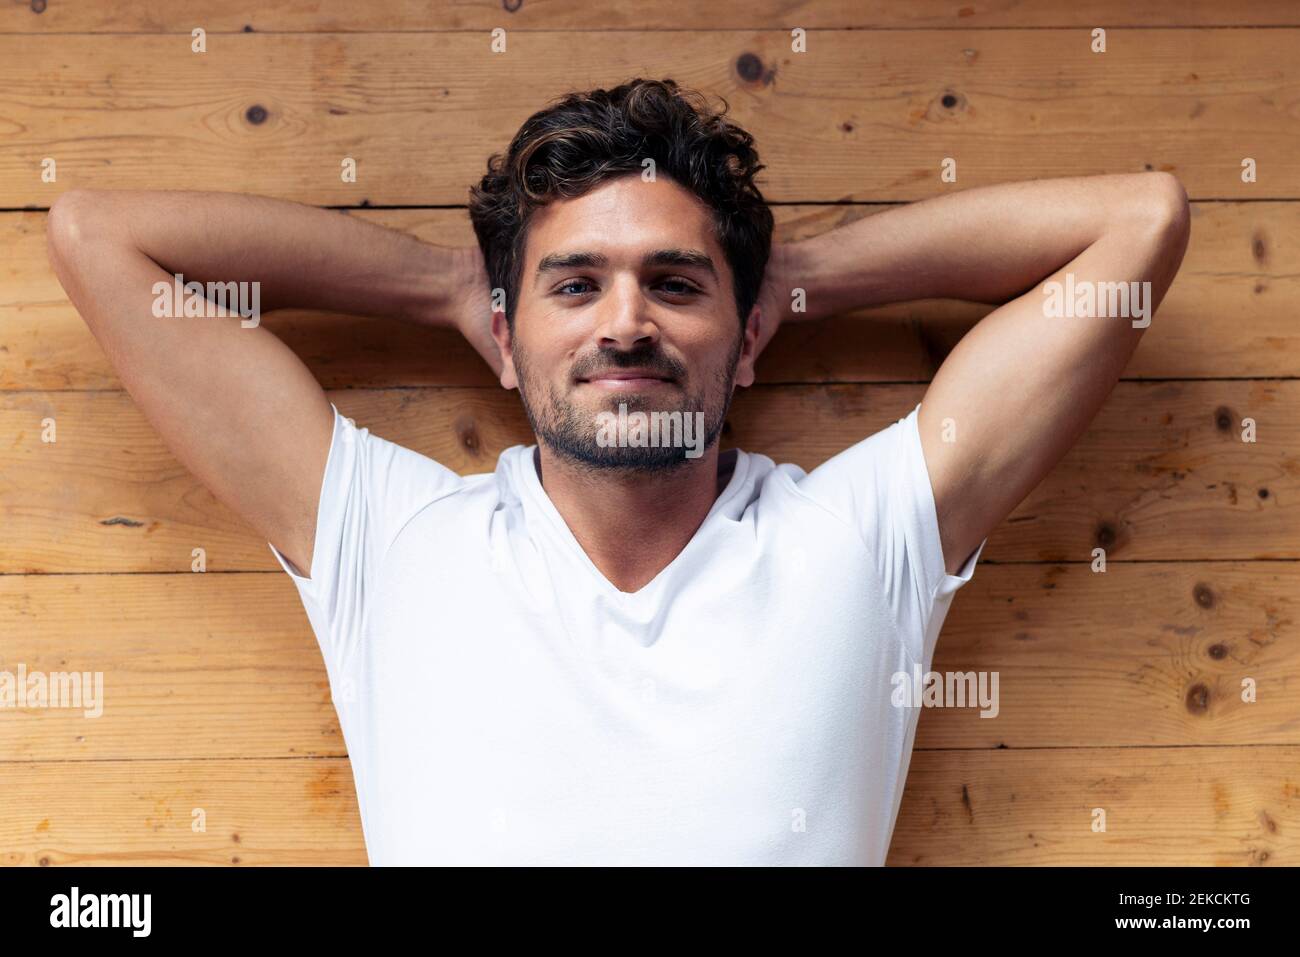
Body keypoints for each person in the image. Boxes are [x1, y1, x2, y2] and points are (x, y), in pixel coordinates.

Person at [45, 77, 1190, 865]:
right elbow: (101, 239)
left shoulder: (860, 538)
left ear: (747, 341)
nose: (627, 324)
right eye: (575, 284)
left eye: (677, 284)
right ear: (505, 336)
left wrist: (799, 279)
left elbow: (1138, 223)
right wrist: (447, 287)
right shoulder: (388, 540)